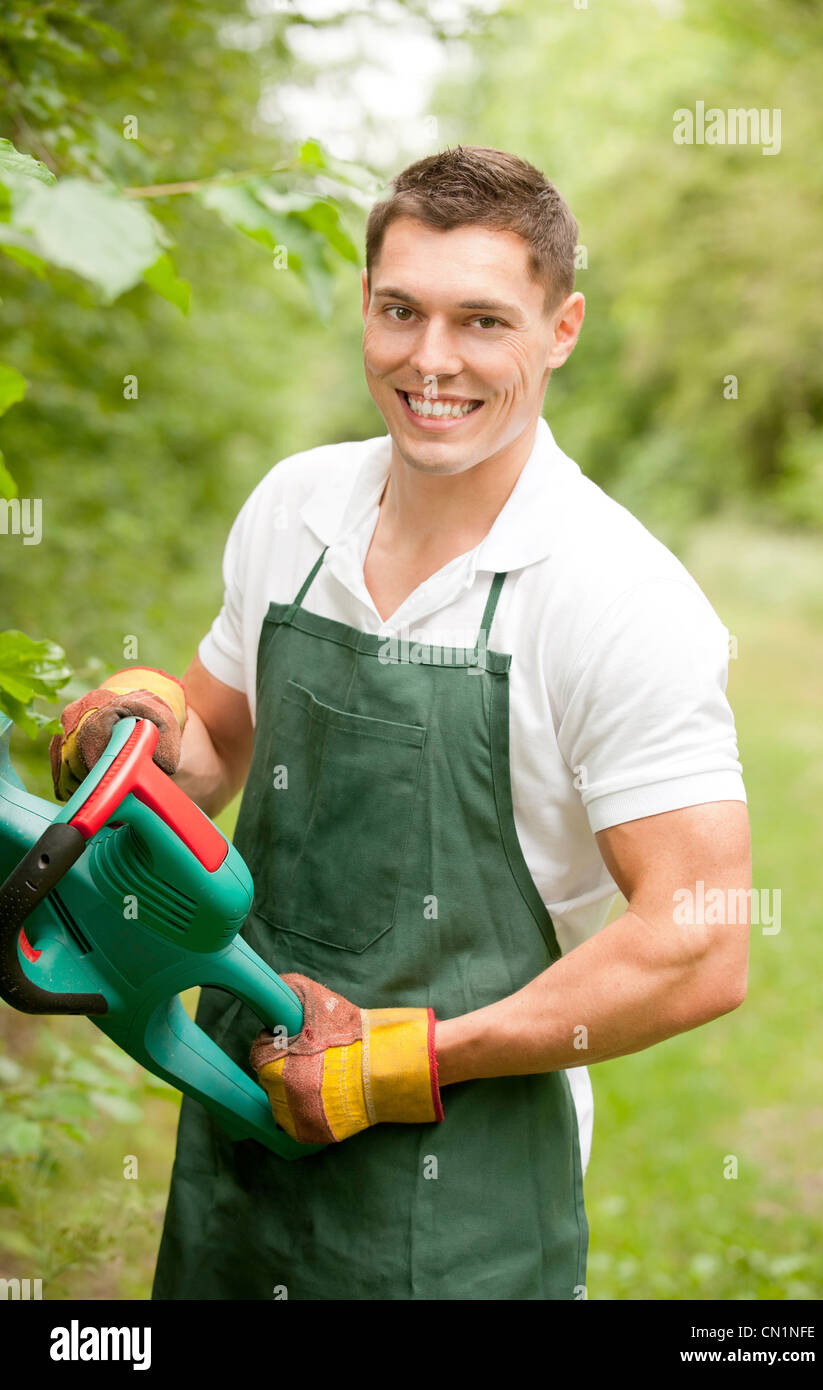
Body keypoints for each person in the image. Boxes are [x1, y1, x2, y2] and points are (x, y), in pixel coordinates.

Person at [51, 145, 751, 1301]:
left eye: (483, 321)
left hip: (466, 1189)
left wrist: (401, 1062)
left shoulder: (618, 595)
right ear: (366, 309)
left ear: (561, 329)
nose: (432, 360)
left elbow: (700, 937)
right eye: (400, 311)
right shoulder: (296, 508)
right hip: (238, 1119)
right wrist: (143, 720)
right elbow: (217, 751)